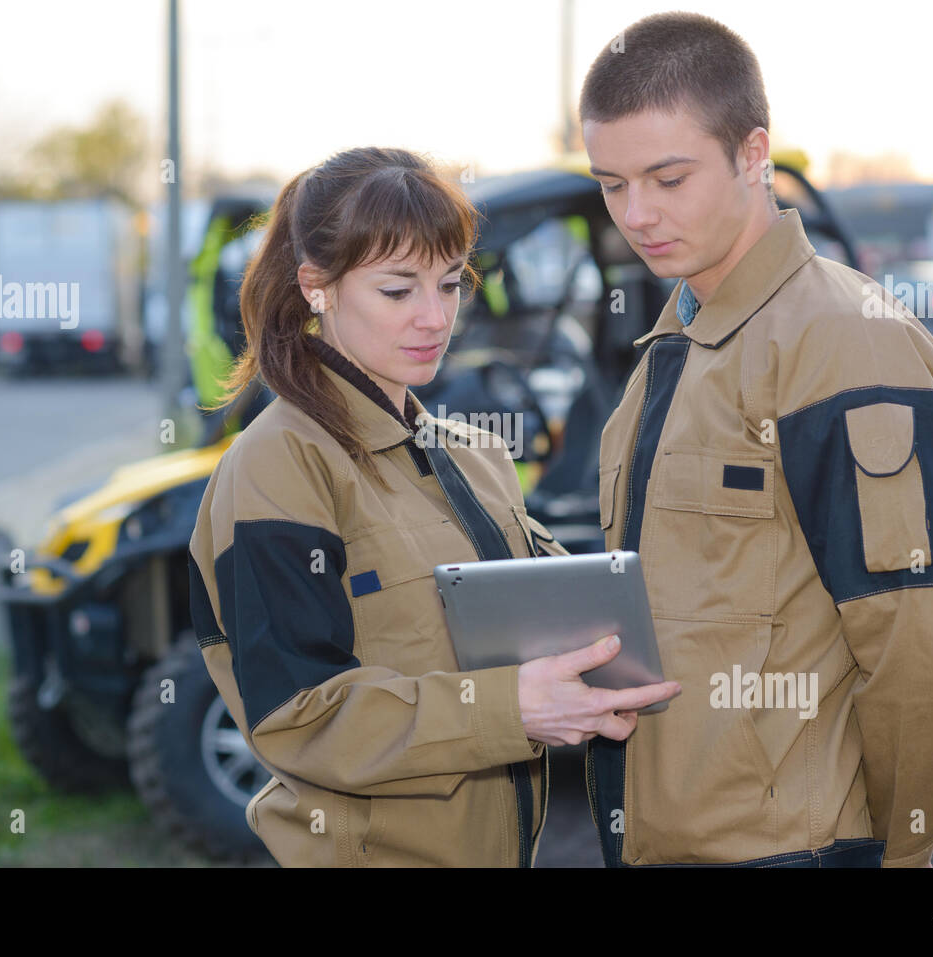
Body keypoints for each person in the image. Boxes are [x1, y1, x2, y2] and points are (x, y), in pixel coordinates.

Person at [578, 13, 933, 868]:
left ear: (751, 154)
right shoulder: (673, 347)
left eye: (668, 177)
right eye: (612, 183)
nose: (638, 213)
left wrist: (894, 852)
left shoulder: (840, 339)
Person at [186, 146, 681, 867]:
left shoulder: (474, 454)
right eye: (397, 291)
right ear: (316, 287)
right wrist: (507, 709)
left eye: (449, 285)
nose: (433, 317)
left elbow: (566, 612)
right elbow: (297, 716)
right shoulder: (278, 464)